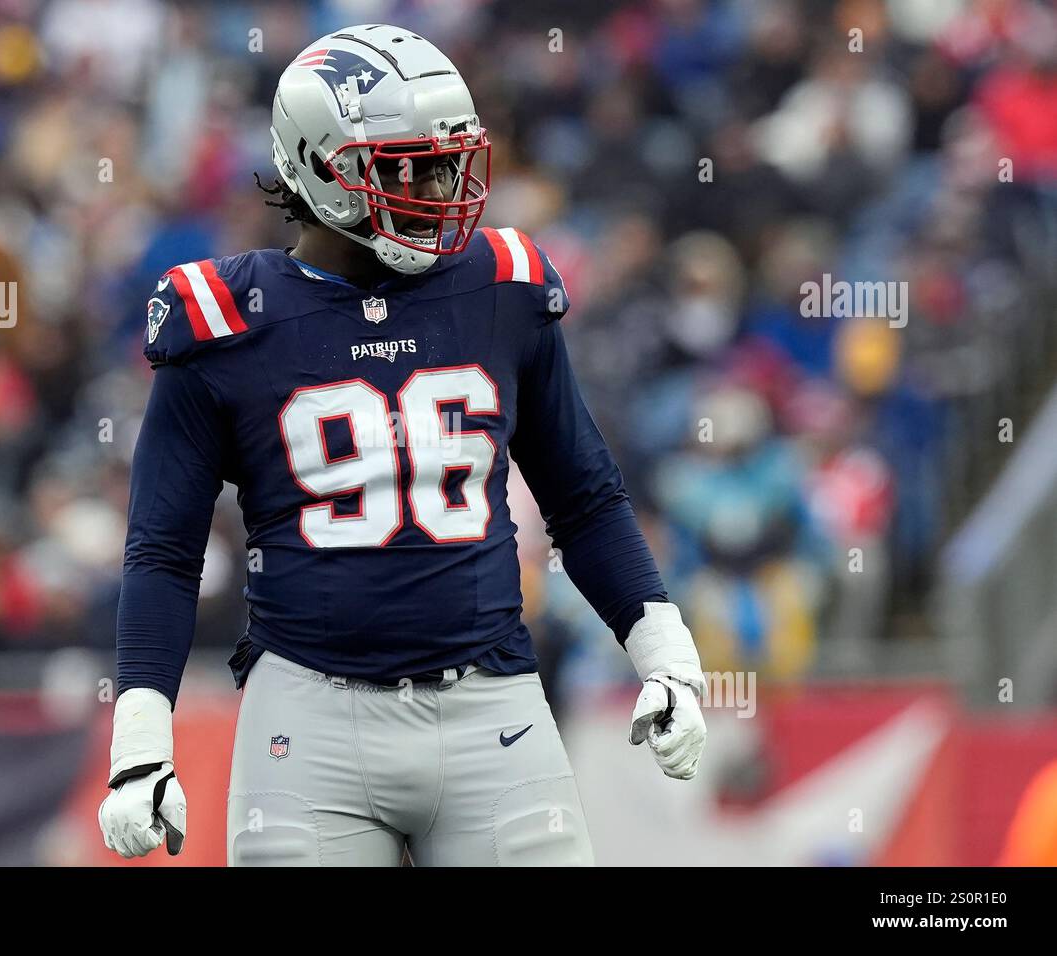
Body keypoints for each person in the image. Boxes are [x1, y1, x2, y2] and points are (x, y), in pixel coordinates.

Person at [98, 23, 707, 866]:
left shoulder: (504, 288)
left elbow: (584, 497)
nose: (443, 185)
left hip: (492, 704)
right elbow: (164, 550)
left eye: (446, 160)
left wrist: (665, 653)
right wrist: (140, 743)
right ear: (326, 169)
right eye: (410, 165)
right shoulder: (227, 320)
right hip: (308, 719)